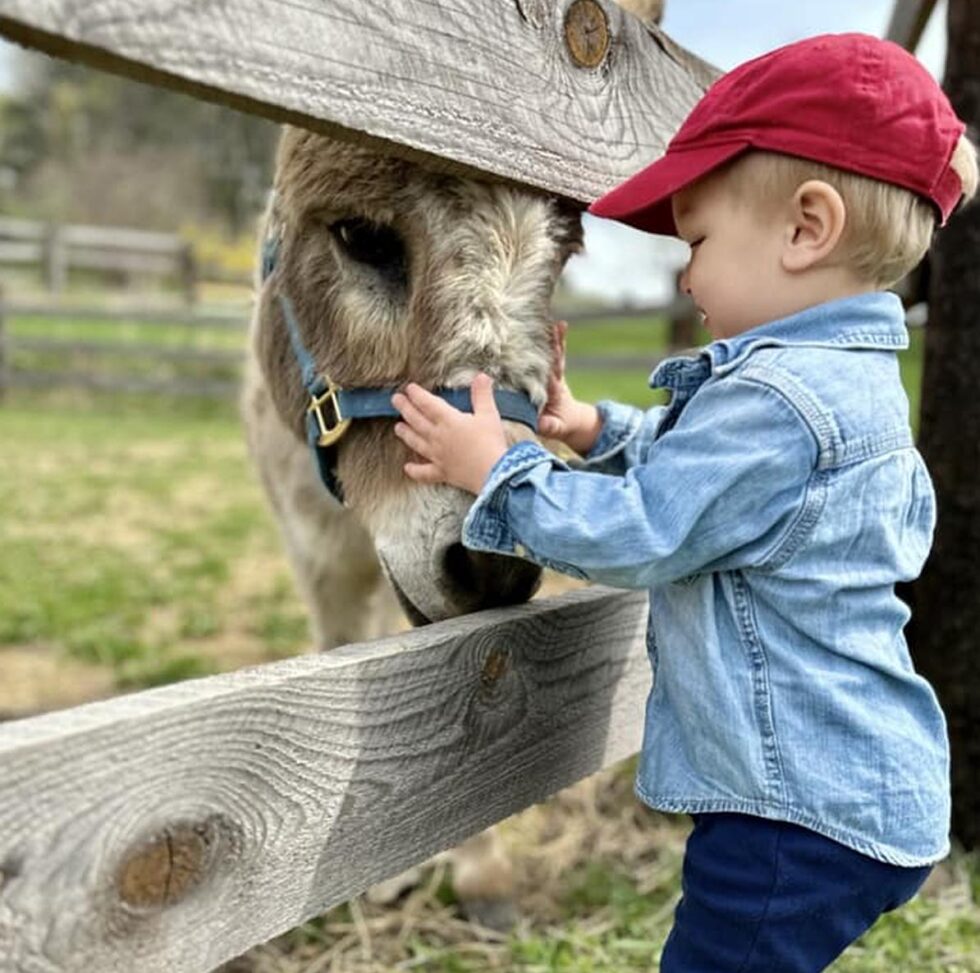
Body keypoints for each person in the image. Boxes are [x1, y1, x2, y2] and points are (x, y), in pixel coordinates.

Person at [391, 32, 979, 973]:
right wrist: (591, 427)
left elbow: (644, 532)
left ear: (806, 228)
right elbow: (711, 481)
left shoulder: (779, 401)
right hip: (853, 794)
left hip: (795, 817)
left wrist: (496, 465)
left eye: (699, 239)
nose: (685, 273)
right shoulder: (840, 386)